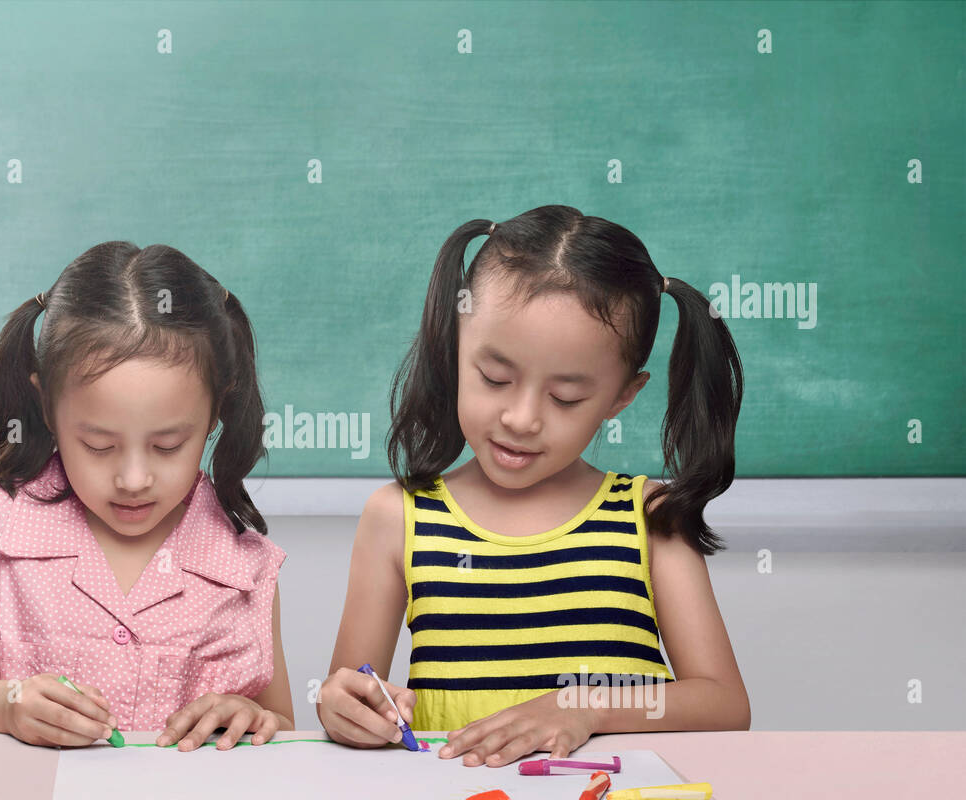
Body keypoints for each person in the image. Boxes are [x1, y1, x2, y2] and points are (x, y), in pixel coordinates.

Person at [318, 205, 750, 766]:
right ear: (455, 344)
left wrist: (584, 706)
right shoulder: (398, 515)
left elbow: (724, 703)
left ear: (623, 395)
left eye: (566, 398)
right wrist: (342, 706)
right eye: (494, 378)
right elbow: (354, 696)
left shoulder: (647, 515)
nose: (521, 418)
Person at [0, 241, 292, 751]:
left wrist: (252, 716)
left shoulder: (245, 567)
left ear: (215, 414)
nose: (132, 478)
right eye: (98, 445)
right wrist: (5, 704)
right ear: (46, 408)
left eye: (168, 446)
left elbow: (280, 724)